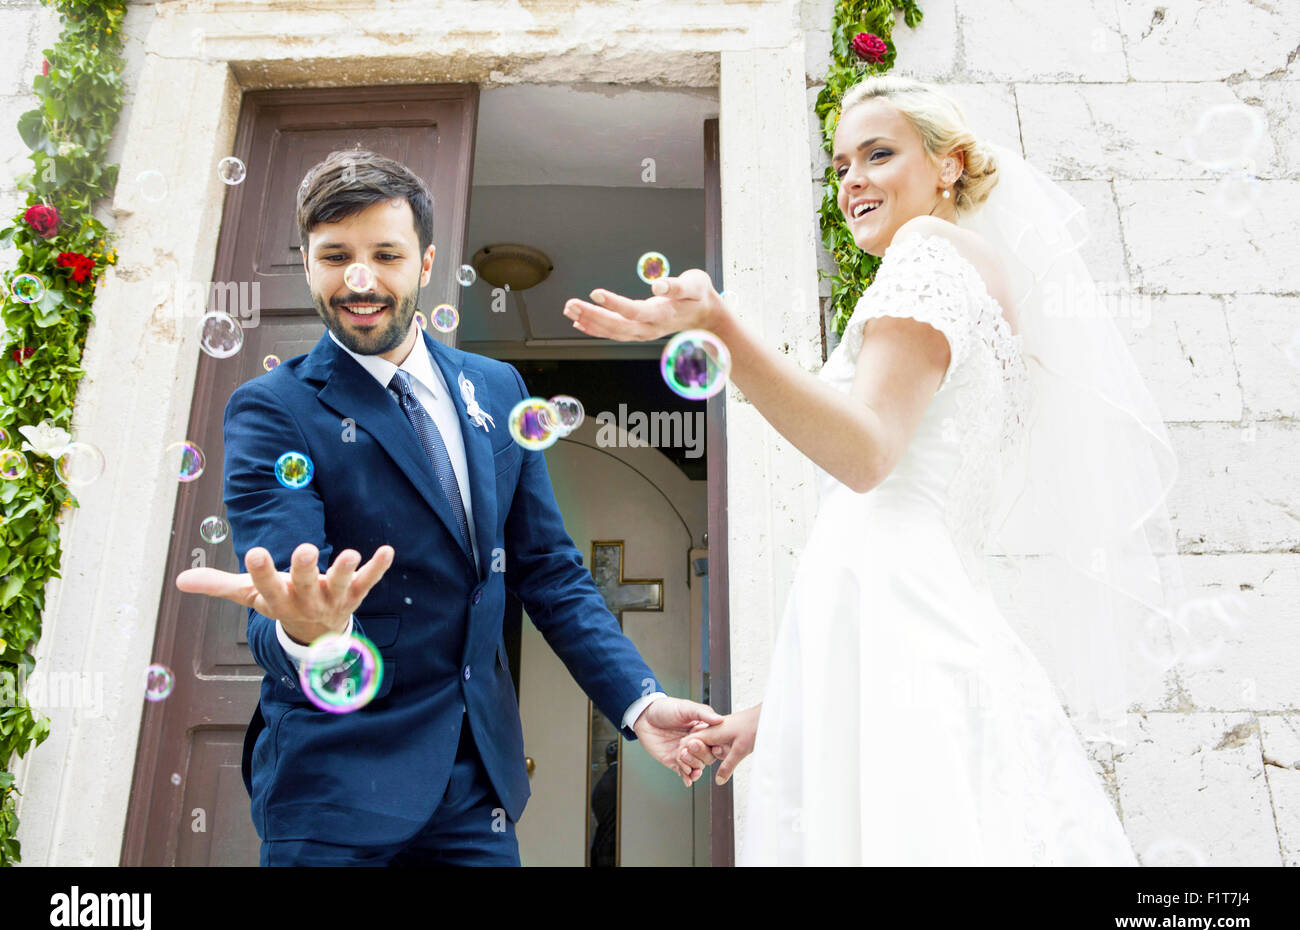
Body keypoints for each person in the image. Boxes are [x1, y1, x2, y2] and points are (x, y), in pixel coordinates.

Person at [566, 75, 1182, 864]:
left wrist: (719, 325)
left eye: (878, 154)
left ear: (950, 164)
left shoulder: (927, 255)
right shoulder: (980, 278)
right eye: (840, 164)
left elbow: (867, 456)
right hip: (903, 620)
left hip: (895, 615)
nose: (852, 179)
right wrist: (776, 711)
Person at [174, 148, 721, 866]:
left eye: (386, 254)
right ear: (307, 264)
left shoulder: (496, 387)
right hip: (333, 791)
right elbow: (285, 590)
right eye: (334, 256)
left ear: (426, 263)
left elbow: (550, 571)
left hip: (476, 791)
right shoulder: (273, 411)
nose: (359, 279)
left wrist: (638, 702)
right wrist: (312, 635)